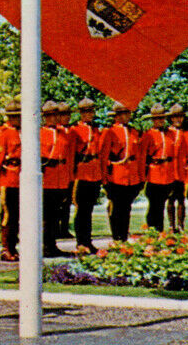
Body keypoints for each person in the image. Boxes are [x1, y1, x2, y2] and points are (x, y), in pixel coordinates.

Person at [101, 101, 142, 242]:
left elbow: (138, 156)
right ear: (116, 116)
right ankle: (116, 237)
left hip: (131, 176)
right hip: (116, 176)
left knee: (127, 208)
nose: (127, 116)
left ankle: (124, 237)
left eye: (128, 113)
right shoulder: (110, 132)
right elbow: (104, 157)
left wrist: (139, 177)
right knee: (116, 208)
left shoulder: (134, 132)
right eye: (123, 113)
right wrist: (105, 178)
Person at [0, 98, 23, 262]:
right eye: (13, 116)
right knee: (8, 215)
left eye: (18, 115)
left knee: (20, 215)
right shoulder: (2, 132)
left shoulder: (24, 131)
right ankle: (6, 248)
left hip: (22, 178)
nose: (16, 119)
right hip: (8, 178)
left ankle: (14, 246)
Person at [69, 98, 103, 253]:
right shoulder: (75, 130)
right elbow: (71, 155)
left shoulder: (96, 130)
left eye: (90, 111)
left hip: (94, 173)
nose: (88, 114)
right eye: (85, 112)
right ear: (80, 113)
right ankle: (81, 242)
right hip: (81, 173)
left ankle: (88, 241)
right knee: (81, 210)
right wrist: (72, 176)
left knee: (89, 210)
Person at [40, 101, 72, 257]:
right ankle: (46, 246)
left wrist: (68, 178)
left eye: (56, 115)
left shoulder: (63, 133)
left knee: (56, 215)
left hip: (61, 178)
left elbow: (68, 157)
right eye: (50, 116)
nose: (54, 118)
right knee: (46, 215)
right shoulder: (40, 133)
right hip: (48, 178)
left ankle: (52, 245)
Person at [141, 103, 179, 231]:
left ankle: (160, 230)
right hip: (154, 174)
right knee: (154, 205)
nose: (160, 121)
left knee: (162, 204)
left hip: (167, 174)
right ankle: (152, 231)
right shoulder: (148, 135)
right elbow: (143, 156)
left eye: (162, 118)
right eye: (157, 118)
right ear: (152, 120)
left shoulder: (171, 134)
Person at [54, 101, 75, 239]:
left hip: (68, 172)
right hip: (56, 173)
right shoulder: (56, 131)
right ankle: (55, 229)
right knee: (56, 203)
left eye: (68, 114)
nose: (66, 117)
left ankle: (64, 228)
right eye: (63, 114)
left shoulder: (72, 131)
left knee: (66, 203)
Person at [165, 103, 188, 231]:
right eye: (175, 117)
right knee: (170, 199)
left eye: (180, 117)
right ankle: (171, 225)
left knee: (181, 199)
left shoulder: (186, 133)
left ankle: (181, 225)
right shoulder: (168, 133)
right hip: (170, 171)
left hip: (182, 171)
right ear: (171, 119)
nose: (178, 119)